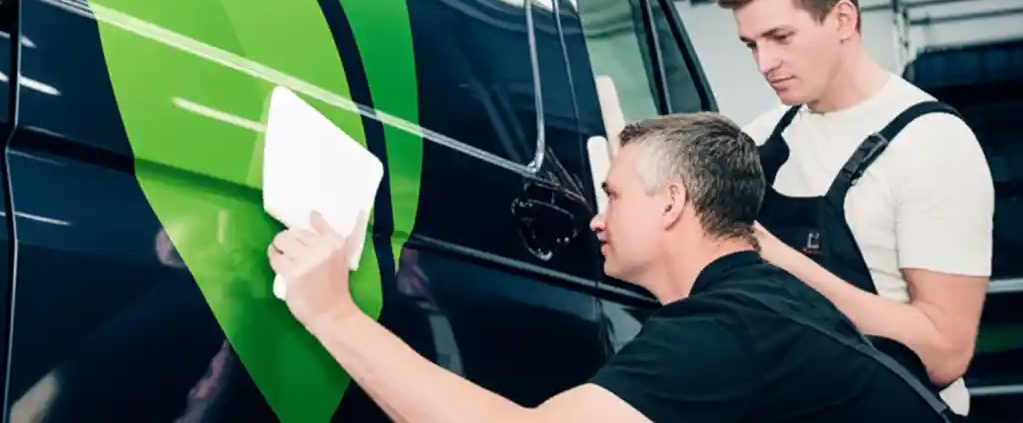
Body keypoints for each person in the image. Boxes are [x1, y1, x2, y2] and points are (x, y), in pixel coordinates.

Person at [267, 113, 951, 422]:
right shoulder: (763, 302)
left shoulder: (725, 332)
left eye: (615, 195)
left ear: (673, 204)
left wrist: (332, 313)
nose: (594, 219)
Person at [712, 0, 994, 418]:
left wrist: (773, 255)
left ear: (843, 20)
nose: (764, 64)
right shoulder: (760, 139)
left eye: (781, 37)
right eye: (752, 45)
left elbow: (946, 352)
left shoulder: (932, 144)